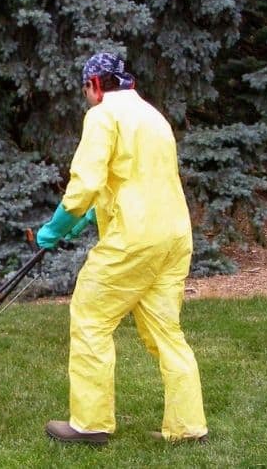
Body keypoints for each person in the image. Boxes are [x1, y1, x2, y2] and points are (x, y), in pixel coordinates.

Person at [37, 52, 208, 445]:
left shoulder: (102, 115)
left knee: (90, 318)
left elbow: (86, 182)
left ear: (96, 84)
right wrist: (88, 218)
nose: (86, 95)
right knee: (166, 331)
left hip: (134, 239)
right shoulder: (153, 116)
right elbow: (136, 178)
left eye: (85, 88)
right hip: (173, 236)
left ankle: (90, 424)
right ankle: (188, 427)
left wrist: (56, 227)